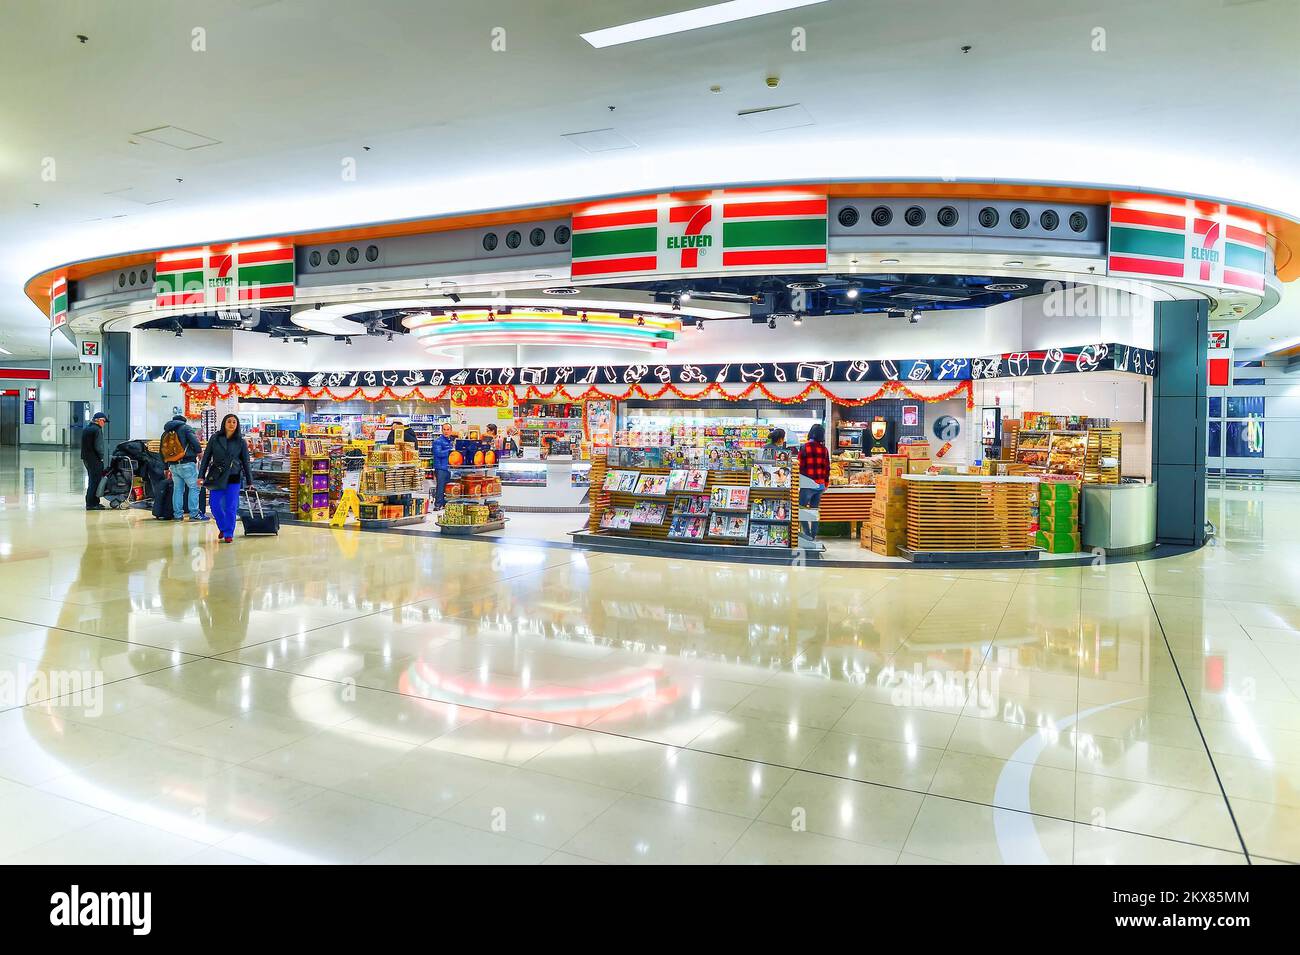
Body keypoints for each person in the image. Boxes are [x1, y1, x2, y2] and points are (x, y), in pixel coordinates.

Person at [198, 414, 253, 544]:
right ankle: (223, 526)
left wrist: (250, 481)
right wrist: (200, 475)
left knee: (231, 507)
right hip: (217, 477)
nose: (232, 424)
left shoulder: (240, 441)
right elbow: (206, 458)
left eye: (234, 422)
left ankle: (228, 533)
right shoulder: (215, 438)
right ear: (224, 423)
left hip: (234, 477)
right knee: (214, 505)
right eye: (229, 421)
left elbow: (246, 462)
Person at [161, 413, 207, 522]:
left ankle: (177, 515)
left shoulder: (165, 432)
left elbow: (161, 451)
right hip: (187, 463)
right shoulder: (186, 428)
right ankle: (194, 514)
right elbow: (194, 441)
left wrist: (166, 468)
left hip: (173, 465)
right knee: (194, 488)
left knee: (178, 490)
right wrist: (199, 453)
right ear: (184, 421)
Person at [798, 423, 830, 542]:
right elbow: (827, 468)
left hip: (808, 484)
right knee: (814, 510)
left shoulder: (805, 447)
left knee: (801, 509)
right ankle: (813, 535)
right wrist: (825, 483)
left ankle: (807, 535)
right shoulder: (824, 450)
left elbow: (800, 466)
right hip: (820, 485)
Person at [81, 411, 109, 511]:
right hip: (94, 459)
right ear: (98, 420)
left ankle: (93, 501)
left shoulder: (87, 429)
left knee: (92, 480)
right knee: (95, 481)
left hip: (86, 459)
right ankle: (91, 503)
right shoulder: (97, 430)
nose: (104, 423)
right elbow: (99, 447)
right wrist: (101, 457)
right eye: (103, 421)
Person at [431, 422, 455, 510]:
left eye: (448, 429)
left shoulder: (450, 441)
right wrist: (450, 451)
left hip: (448, 467)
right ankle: (437, 505)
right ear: (442, 430)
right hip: (440, 467)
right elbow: (438, 453)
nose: (446, 431)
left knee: (447, 487)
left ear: (451, 431)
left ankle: (445, 503)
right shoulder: (438, 441)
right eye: (444, 429)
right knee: (440, 487)